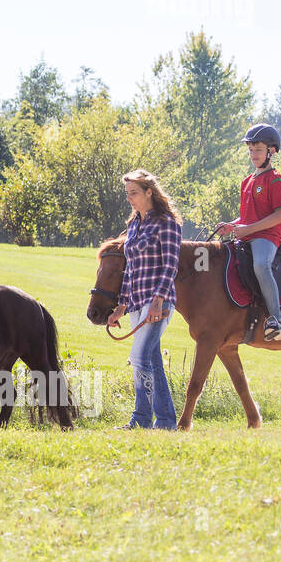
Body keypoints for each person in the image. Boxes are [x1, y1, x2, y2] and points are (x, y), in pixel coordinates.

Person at [106, 169, 182, 430]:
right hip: (137, 302)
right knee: (151, 359)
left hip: (158, 301)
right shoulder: (134, 224)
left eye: (134, 193)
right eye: (127, 194)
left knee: (139, 357)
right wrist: (120, 307)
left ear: (149, 192)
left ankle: (141, 419)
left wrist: (158, 301)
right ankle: (166, 422)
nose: (130, 198)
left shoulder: (167, 223)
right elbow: (130, 269)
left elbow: (170, 266)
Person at [215, 124, 281, 341]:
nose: (253, 155)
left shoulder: (275, 180)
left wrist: (248, 230)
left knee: (260, 265)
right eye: (250, 150)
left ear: (271, 151)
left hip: (267, 237)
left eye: (258, 150)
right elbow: (247, 217)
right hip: (248, 234)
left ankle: (276, 319)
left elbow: (280, 216)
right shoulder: (247, 182)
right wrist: (231, 225)